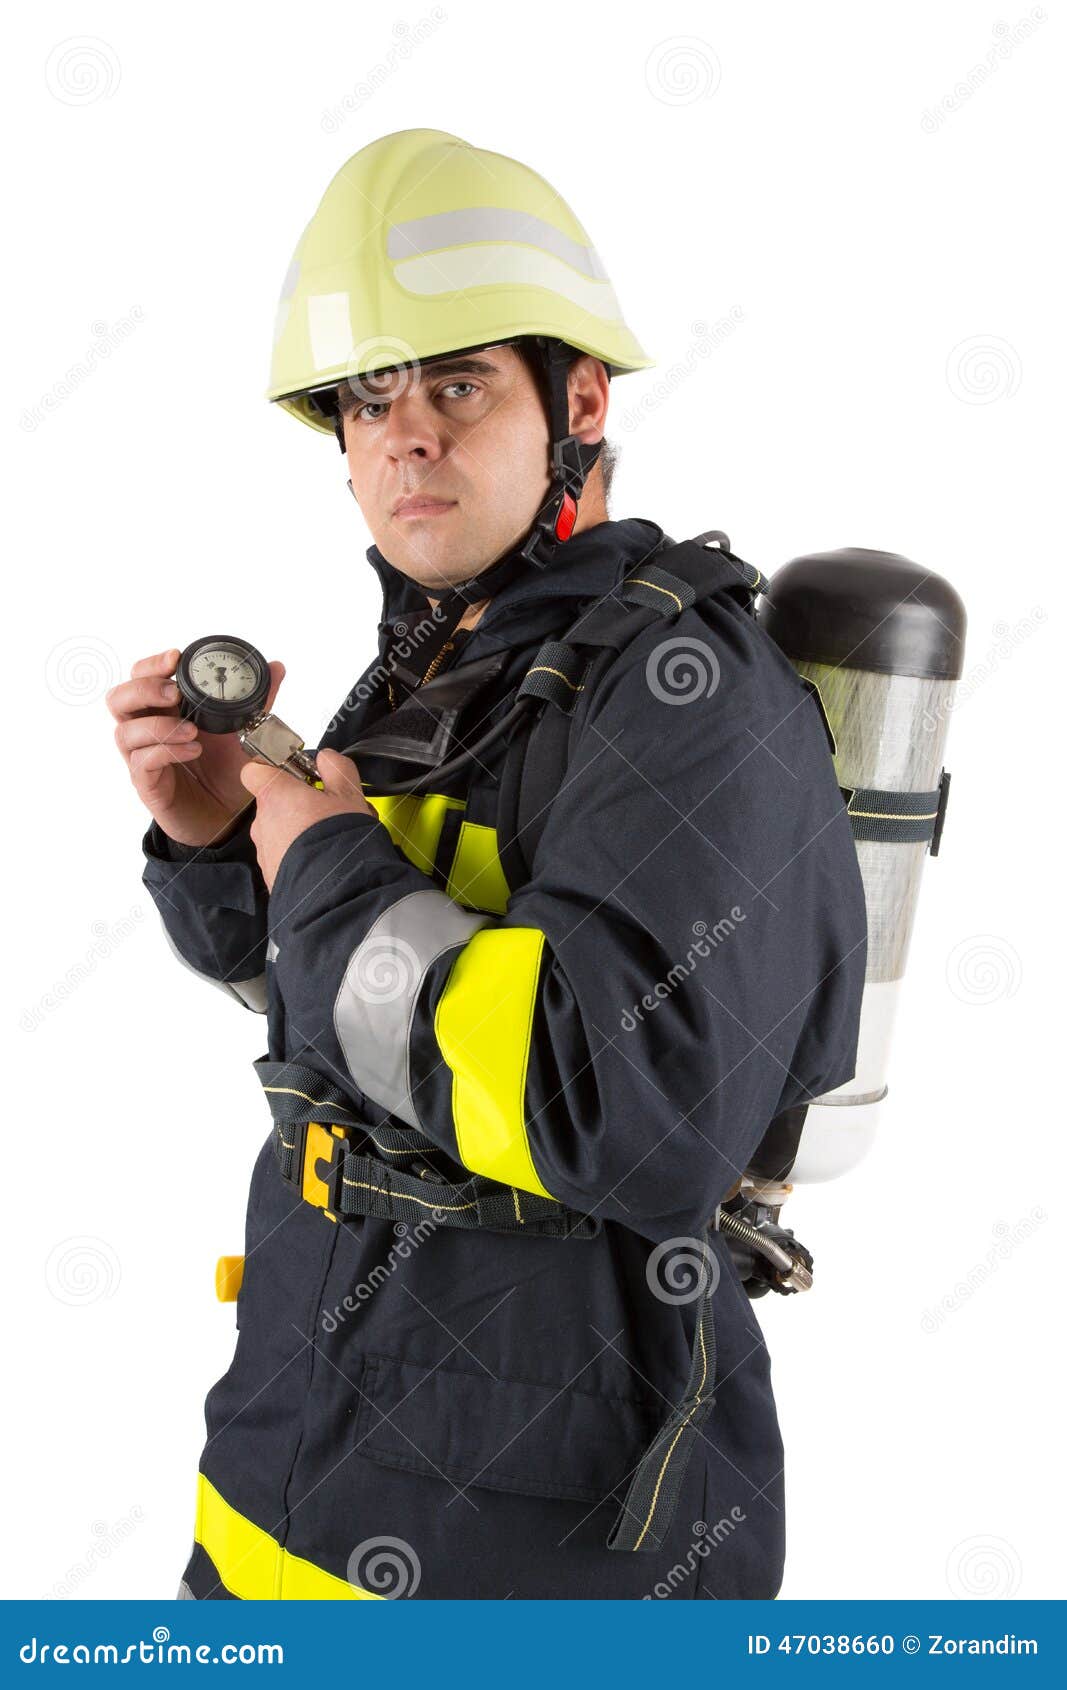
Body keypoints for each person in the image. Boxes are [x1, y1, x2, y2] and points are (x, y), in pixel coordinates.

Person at [108, 129, 865, 1600]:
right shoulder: (445, 667)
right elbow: (367, 1019)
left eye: (457, 383)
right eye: (370, 395)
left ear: (577, 402)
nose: (407, 434)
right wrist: (222, 846)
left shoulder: (680, 693)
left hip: (534, 1543)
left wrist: (323, 868)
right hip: (284, 1477)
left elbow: (611, 1099)